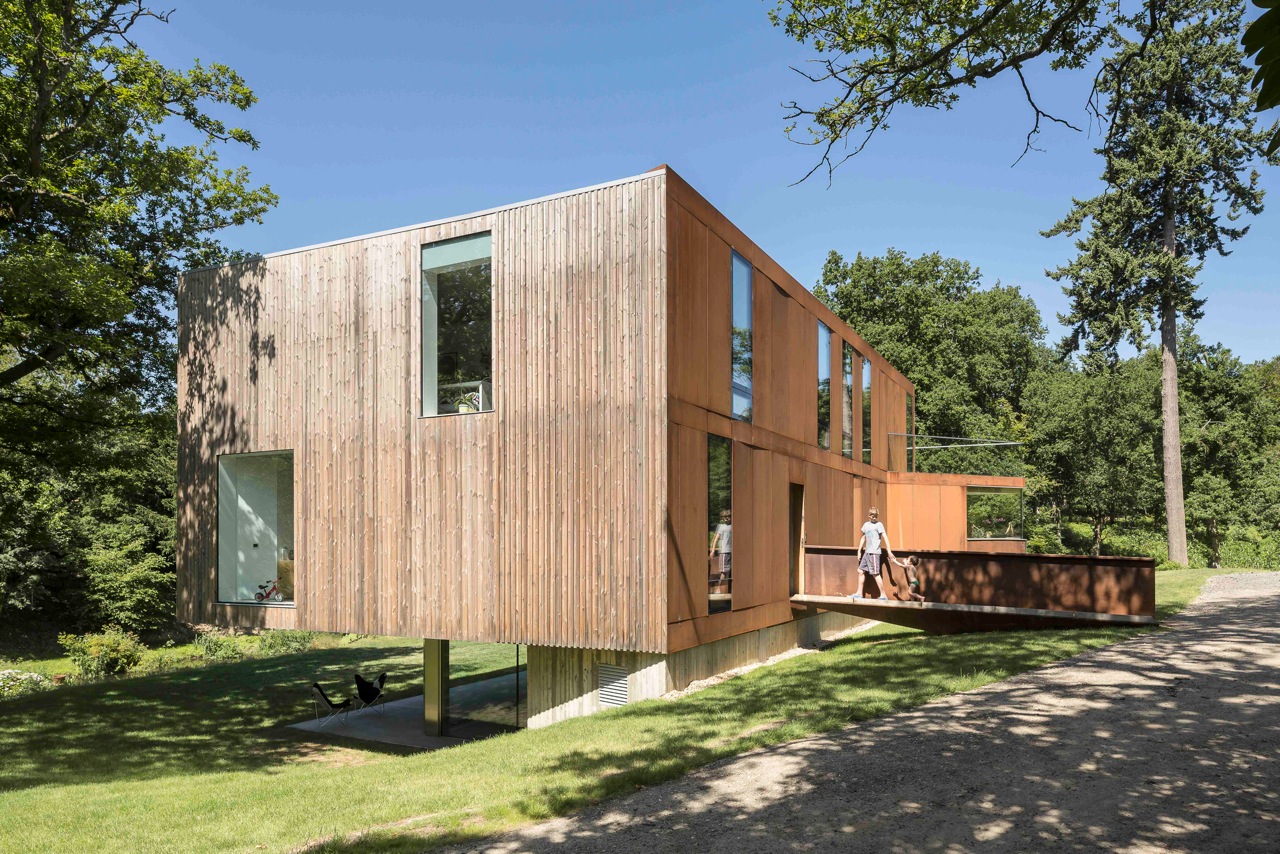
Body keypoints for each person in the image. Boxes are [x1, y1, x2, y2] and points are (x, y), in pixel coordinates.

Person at [852, 506, 894, 600]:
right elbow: (863, 538)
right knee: (860, 571)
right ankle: (859, 593)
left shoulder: (879, 525)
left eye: (875, 516)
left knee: (875, 573)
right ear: (869, 515)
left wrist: (889, 551)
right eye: (872, 516)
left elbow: (885, 537)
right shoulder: (866, 525)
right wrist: (859, 551)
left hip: (874, 552)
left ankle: (883, 595)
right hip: (867, 552)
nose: (874, 518)